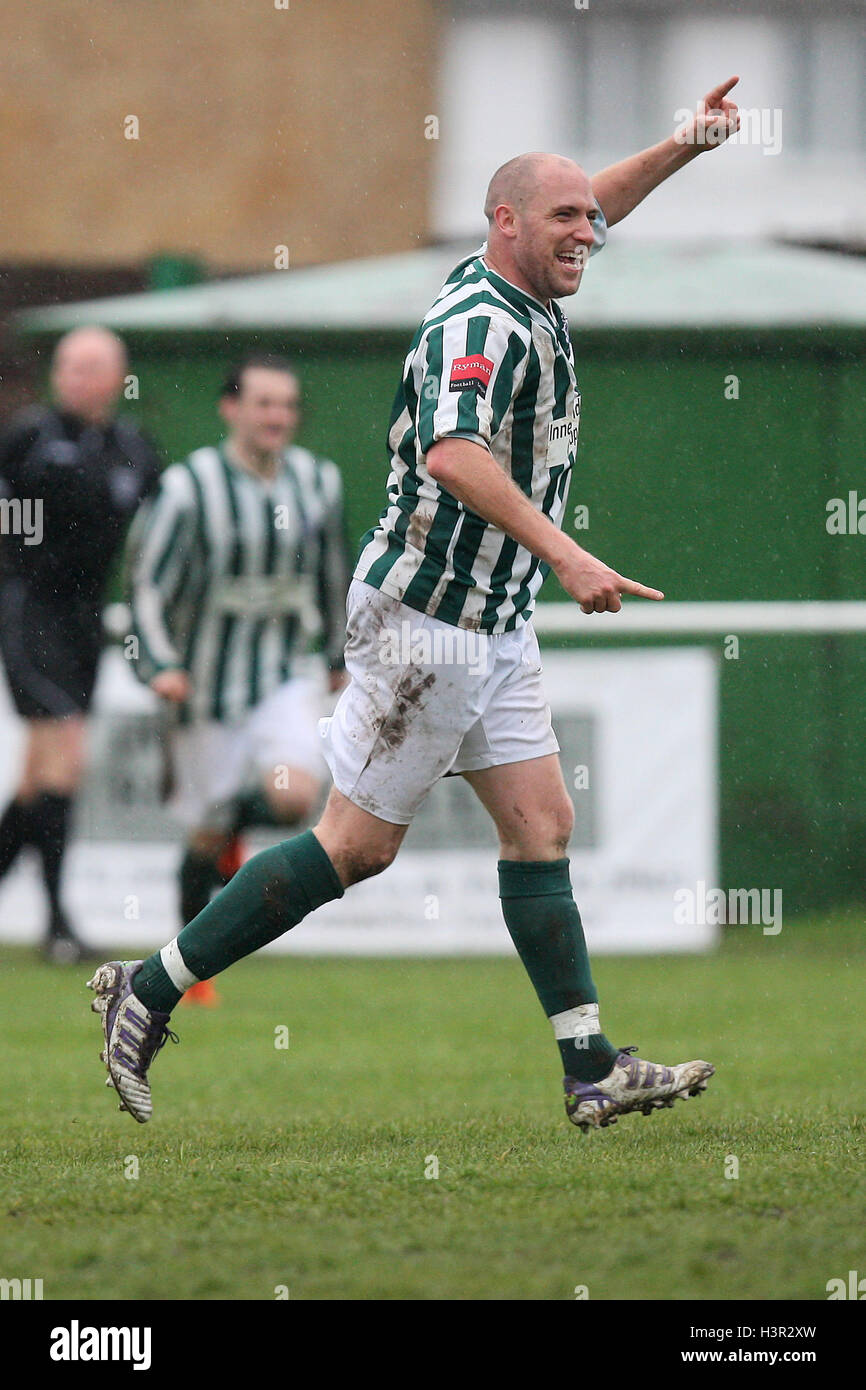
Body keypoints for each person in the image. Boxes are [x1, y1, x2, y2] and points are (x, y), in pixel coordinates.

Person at [89, 79, 741, 1128]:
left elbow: (588, 203)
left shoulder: (525, 271)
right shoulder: (478, 322)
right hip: (428, 619)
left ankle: (588, 1068)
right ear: (504, 224)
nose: (587, 232)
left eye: (589, 217)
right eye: (566, 219)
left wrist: (682, 146)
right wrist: (568, 555)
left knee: (540, 824)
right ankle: (149, 986)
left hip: (491, 613)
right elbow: (451, 454)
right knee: (354, 846)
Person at [126, 354, 350, 1004]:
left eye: (286, 404)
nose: (277, 416)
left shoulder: (318, 481)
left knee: (292, 799)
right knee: (205, 826)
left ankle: (232, 826)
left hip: (283, 675)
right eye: (263, 403)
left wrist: (337, 651)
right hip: (204, 684)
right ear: (231, 408)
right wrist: (159, 664)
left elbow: (333, 574)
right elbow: (145, 584)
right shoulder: (188, 485)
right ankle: (187, 969)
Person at [0, 326, 161, 963]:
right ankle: (59, 925)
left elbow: (164, 528)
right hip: (25, 608)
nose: (74, 376)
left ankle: (52, 919)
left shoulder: (133, 449)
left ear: (117, 376)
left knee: (42, 779)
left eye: (90, 366)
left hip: (84, 620)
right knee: (65, 748)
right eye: (66, 364)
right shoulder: (29, 437)